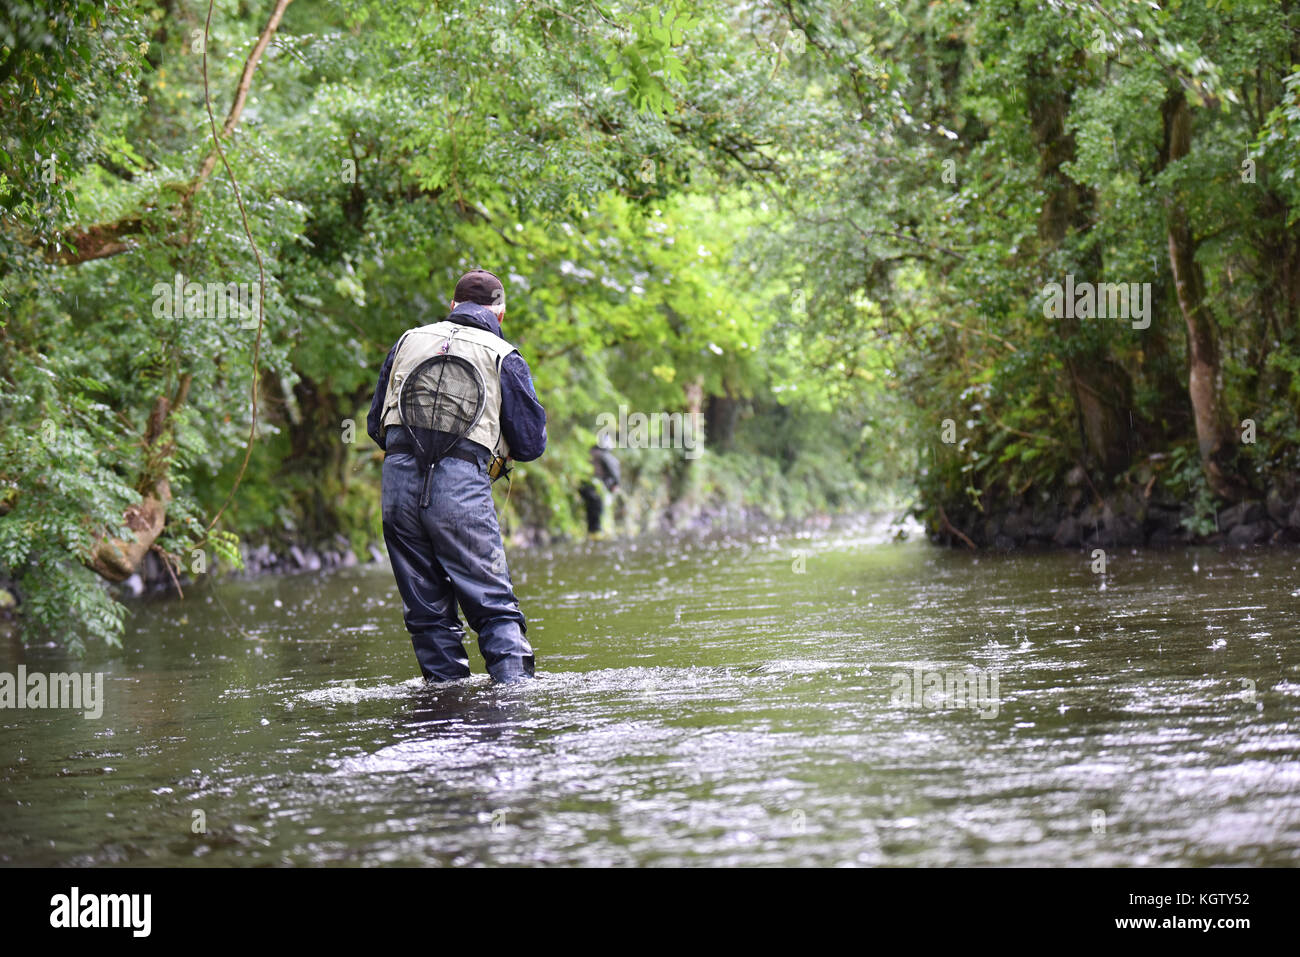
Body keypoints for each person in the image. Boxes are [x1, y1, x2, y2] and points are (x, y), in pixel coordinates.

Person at [367, 270, 546, 683]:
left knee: (426, 612)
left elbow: (377, 425)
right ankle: (516, 704)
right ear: (499, 315)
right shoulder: (504, 355)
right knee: (494, 606)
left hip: (397, 488)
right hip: (461, 491)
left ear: (452, 306)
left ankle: (443, 708)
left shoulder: (407, 341)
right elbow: (532, 444)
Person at [579, 437, 621, 535]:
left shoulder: (590, 452)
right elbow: (614, 471)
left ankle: (592, 530)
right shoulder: (605, 455)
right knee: (598, 507)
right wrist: (616, 484)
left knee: (591, 508)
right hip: (595, 486)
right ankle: (596, 530)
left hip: (585, 484)